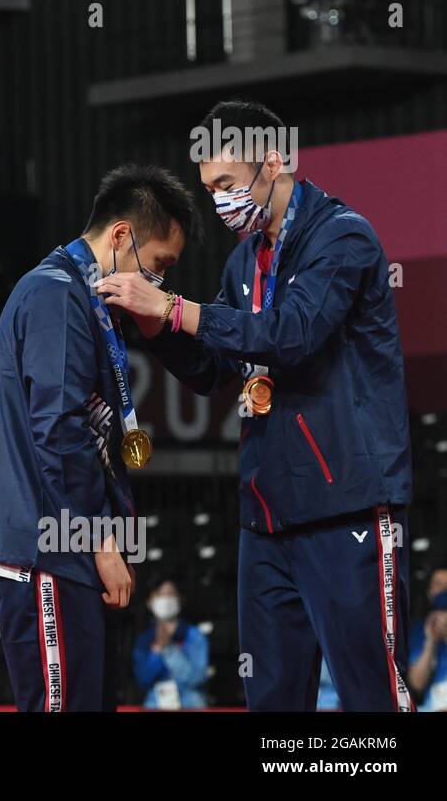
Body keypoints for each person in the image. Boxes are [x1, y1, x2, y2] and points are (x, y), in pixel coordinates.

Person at [99, 99, 414, 711]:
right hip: (265, 519)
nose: (218, 202)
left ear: (273, 162)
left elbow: (291, 335)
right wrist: (153, 324)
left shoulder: (342, 238)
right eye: (209, 188)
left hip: (346, 504)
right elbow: (215, 369)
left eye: (226, 184)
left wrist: (174, 309)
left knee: (372, 699)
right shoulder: (246, 260)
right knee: (271, 707)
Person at [0, 163, 199, 711]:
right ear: (121, 236)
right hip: (45, 546)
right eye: (159, 265)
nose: (159, 283)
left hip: (61, 544)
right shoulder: (55, 294)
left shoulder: (87, 301)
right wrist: (99, 539)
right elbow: (60, 429)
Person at [132, 580, 208, 708]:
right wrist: (156, 654)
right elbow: (143, 678)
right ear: (150, 601)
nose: (166, 599)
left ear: (180, 600)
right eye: (161, 594)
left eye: (171, 594)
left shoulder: (194, 636)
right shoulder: (144, 639)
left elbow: (197, 677)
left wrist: (169, 650)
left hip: (190, 703)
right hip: (155, 703)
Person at [408, 564, 447, 710]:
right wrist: (431, 641)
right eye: (439, 584)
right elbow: (416, 686)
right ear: (430, 593)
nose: (444, 589)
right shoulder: (418, 629)